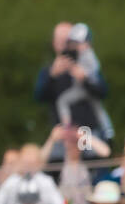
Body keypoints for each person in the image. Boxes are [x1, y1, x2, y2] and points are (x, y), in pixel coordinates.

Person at [34, 22, 113, 156]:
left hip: (86, 130)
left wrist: (85, 79)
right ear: (54, 43)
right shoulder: (48, 70)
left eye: (68, 41)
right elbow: (39, 96)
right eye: (61, 41)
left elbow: (103, 91)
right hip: (63, 134)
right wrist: (52, 75)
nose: (66, 46)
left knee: (90, 164)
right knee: (60, 168)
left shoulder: (86, 64)